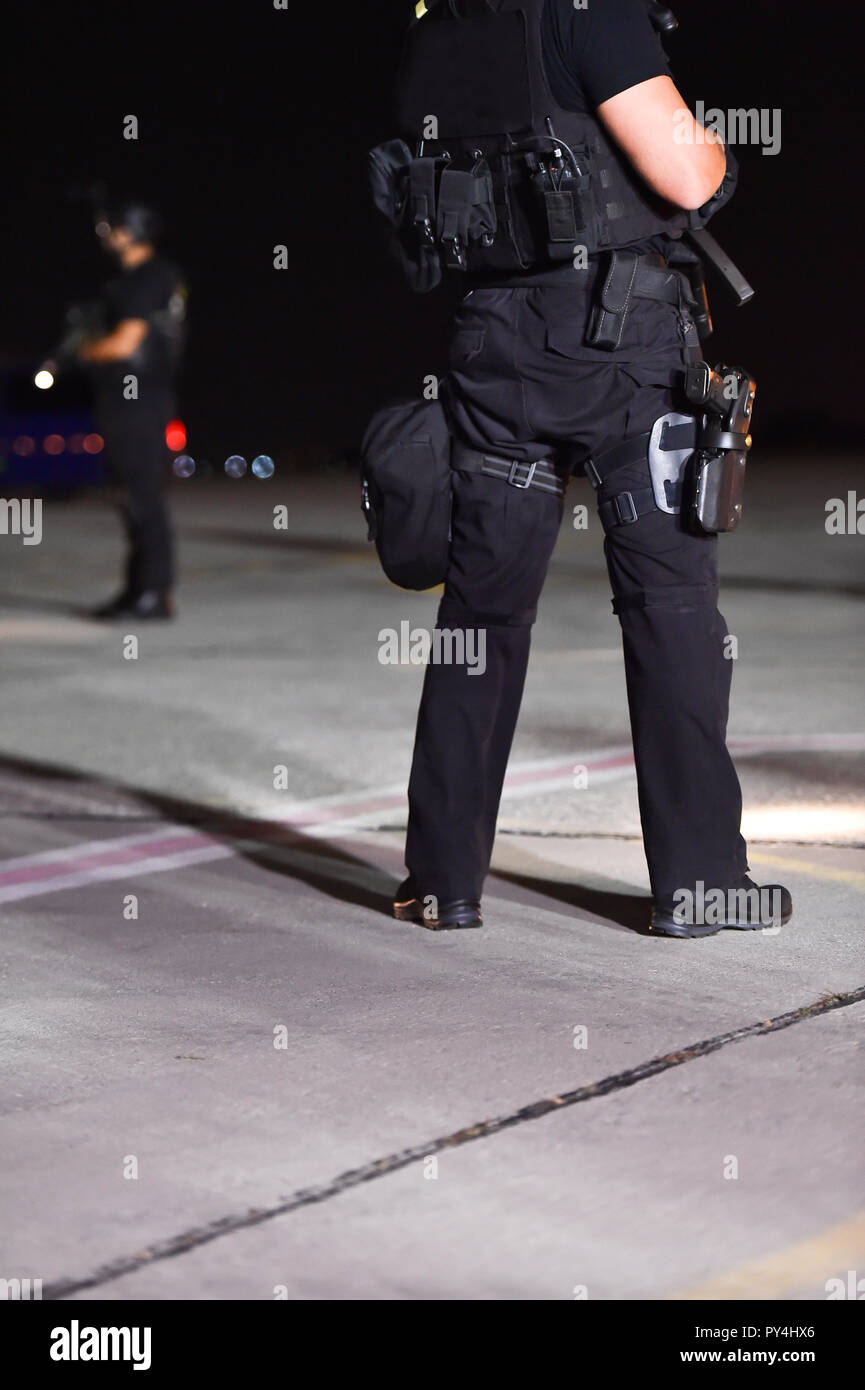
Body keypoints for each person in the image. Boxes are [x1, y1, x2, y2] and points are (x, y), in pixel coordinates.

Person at [383, 0, 792, 937]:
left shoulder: (432, 30)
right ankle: (697, 885)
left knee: (477, 616)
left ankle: (441, 882)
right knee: (671, 605)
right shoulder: (588, 16)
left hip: (492, 342)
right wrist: (718, 151)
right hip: (619, 341)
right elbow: (684, 173)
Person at [78, 201, 186, 620]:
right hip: (133, 401)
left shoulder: (147, 277)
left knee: (144, 499)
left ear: (133, 231)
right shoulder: (145, 278)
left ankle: (154, 594)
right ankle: (138, 589)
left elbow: (125, 343)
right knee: (132, 499)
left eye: (115, 228)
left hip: (139, 403)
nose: (108, 235)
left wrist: (83, 353)